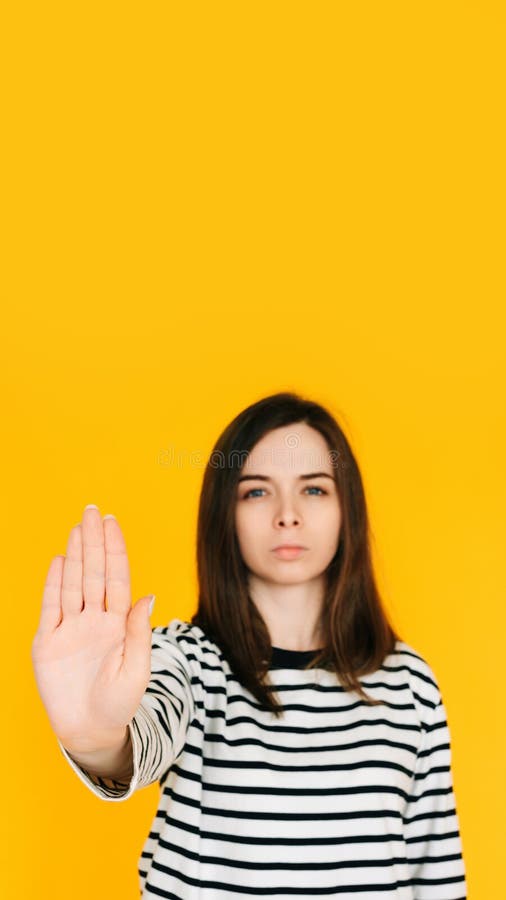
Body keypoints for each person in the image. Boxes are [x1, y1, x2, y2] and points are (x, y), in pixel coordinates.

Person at [31, 391, 468, 899]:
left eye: (315, 490)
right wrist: (96, 739)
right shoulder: (185, 662)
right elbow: (140, 741)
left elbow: (435, 872)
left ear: (349, 508)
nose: (287, 515)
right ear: (225, 513)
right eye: (257, 492)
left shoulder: (410, 683)